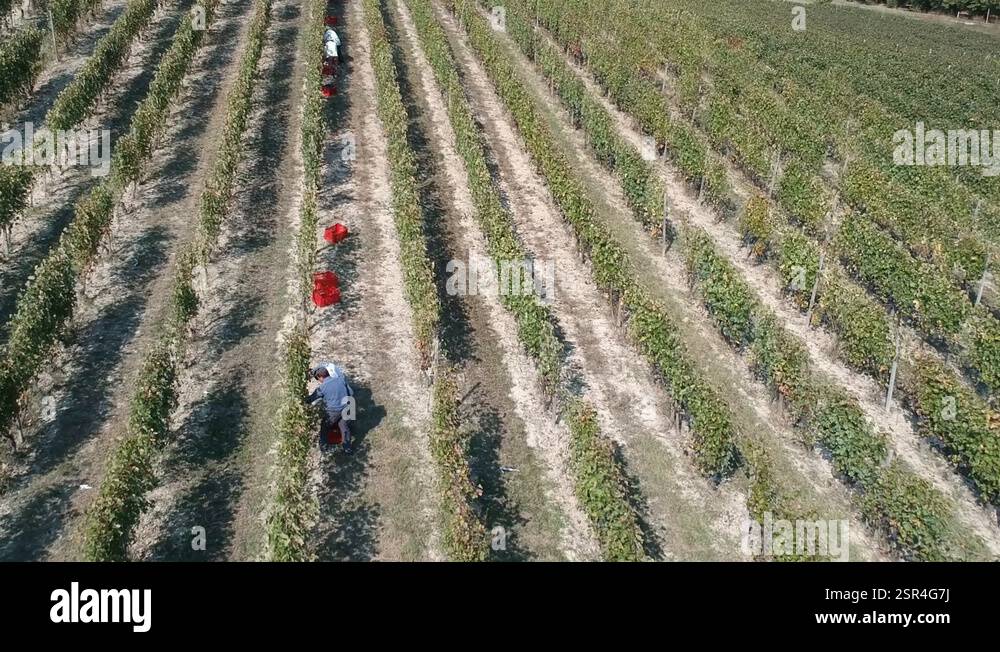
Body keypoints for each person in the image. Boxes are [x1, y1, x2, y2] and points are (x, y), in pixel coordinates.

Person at [305, 362, 355, 454]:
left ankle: (324, 448)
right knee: (344, 426)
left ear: (320, 376)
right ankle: (347, 449)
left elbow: (312, 398)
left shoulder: (322, 387)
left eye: (317, 378)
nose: (319, 381)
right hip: (347, 408)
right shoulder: (340, 380)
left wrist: (304, 400)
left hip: (333, 412)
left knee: (324, 426)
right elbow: (351, 393)